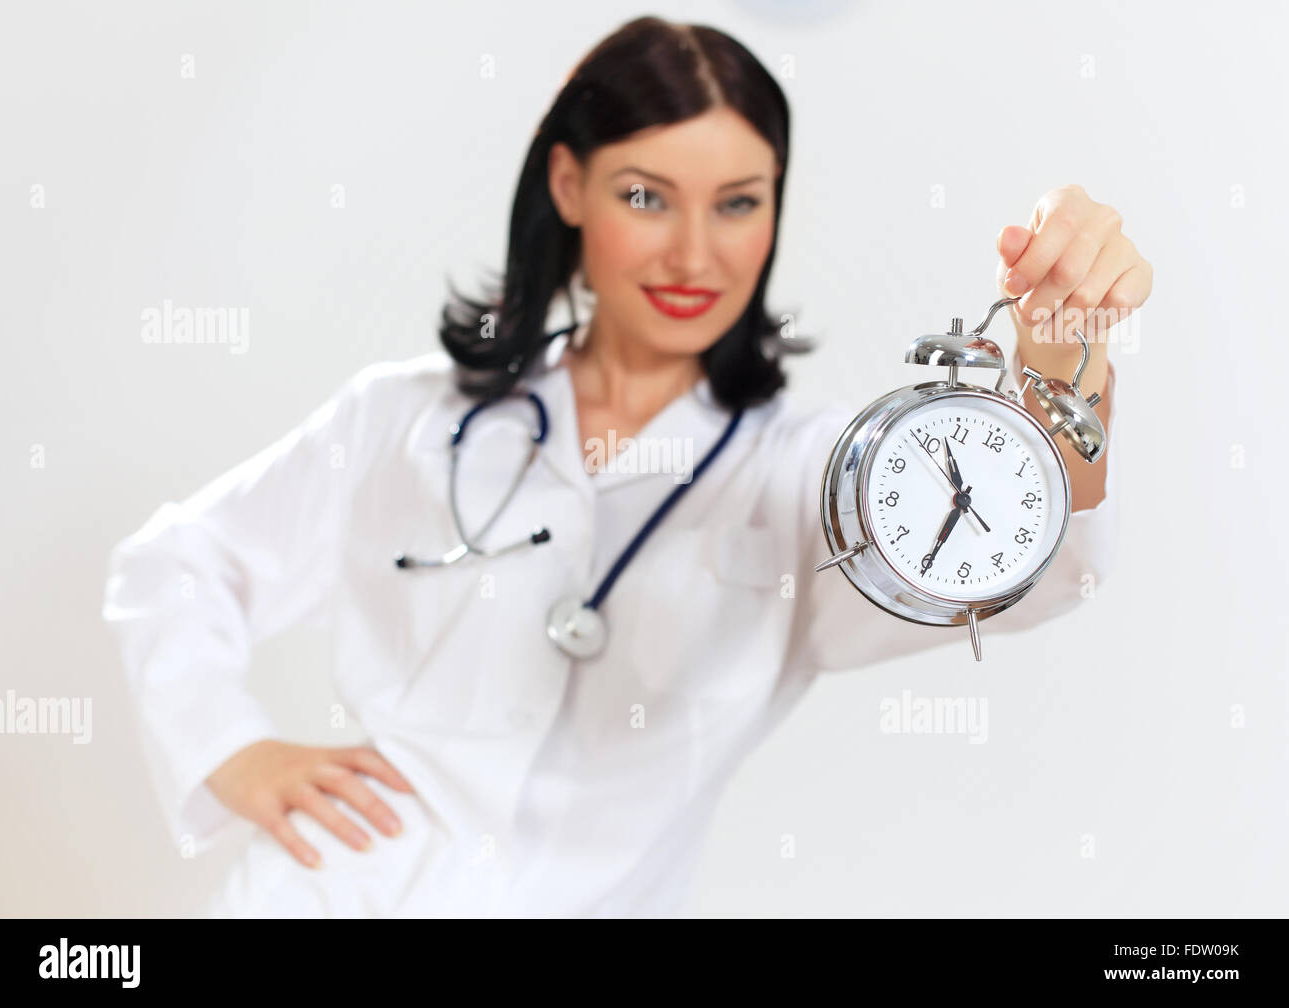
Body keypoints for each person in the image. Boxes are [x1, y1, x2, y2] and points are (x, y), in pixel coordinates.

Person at [101, 16, 1149, 917]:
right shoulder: (405, 417)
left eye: (738, 202)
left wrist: (1062, 349)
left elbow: (1022, 567)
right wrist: (228, 749)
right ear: (568, 183)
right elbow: (172, 565)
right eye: (646, 197)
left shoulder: (806, 472)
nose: (694, 255)